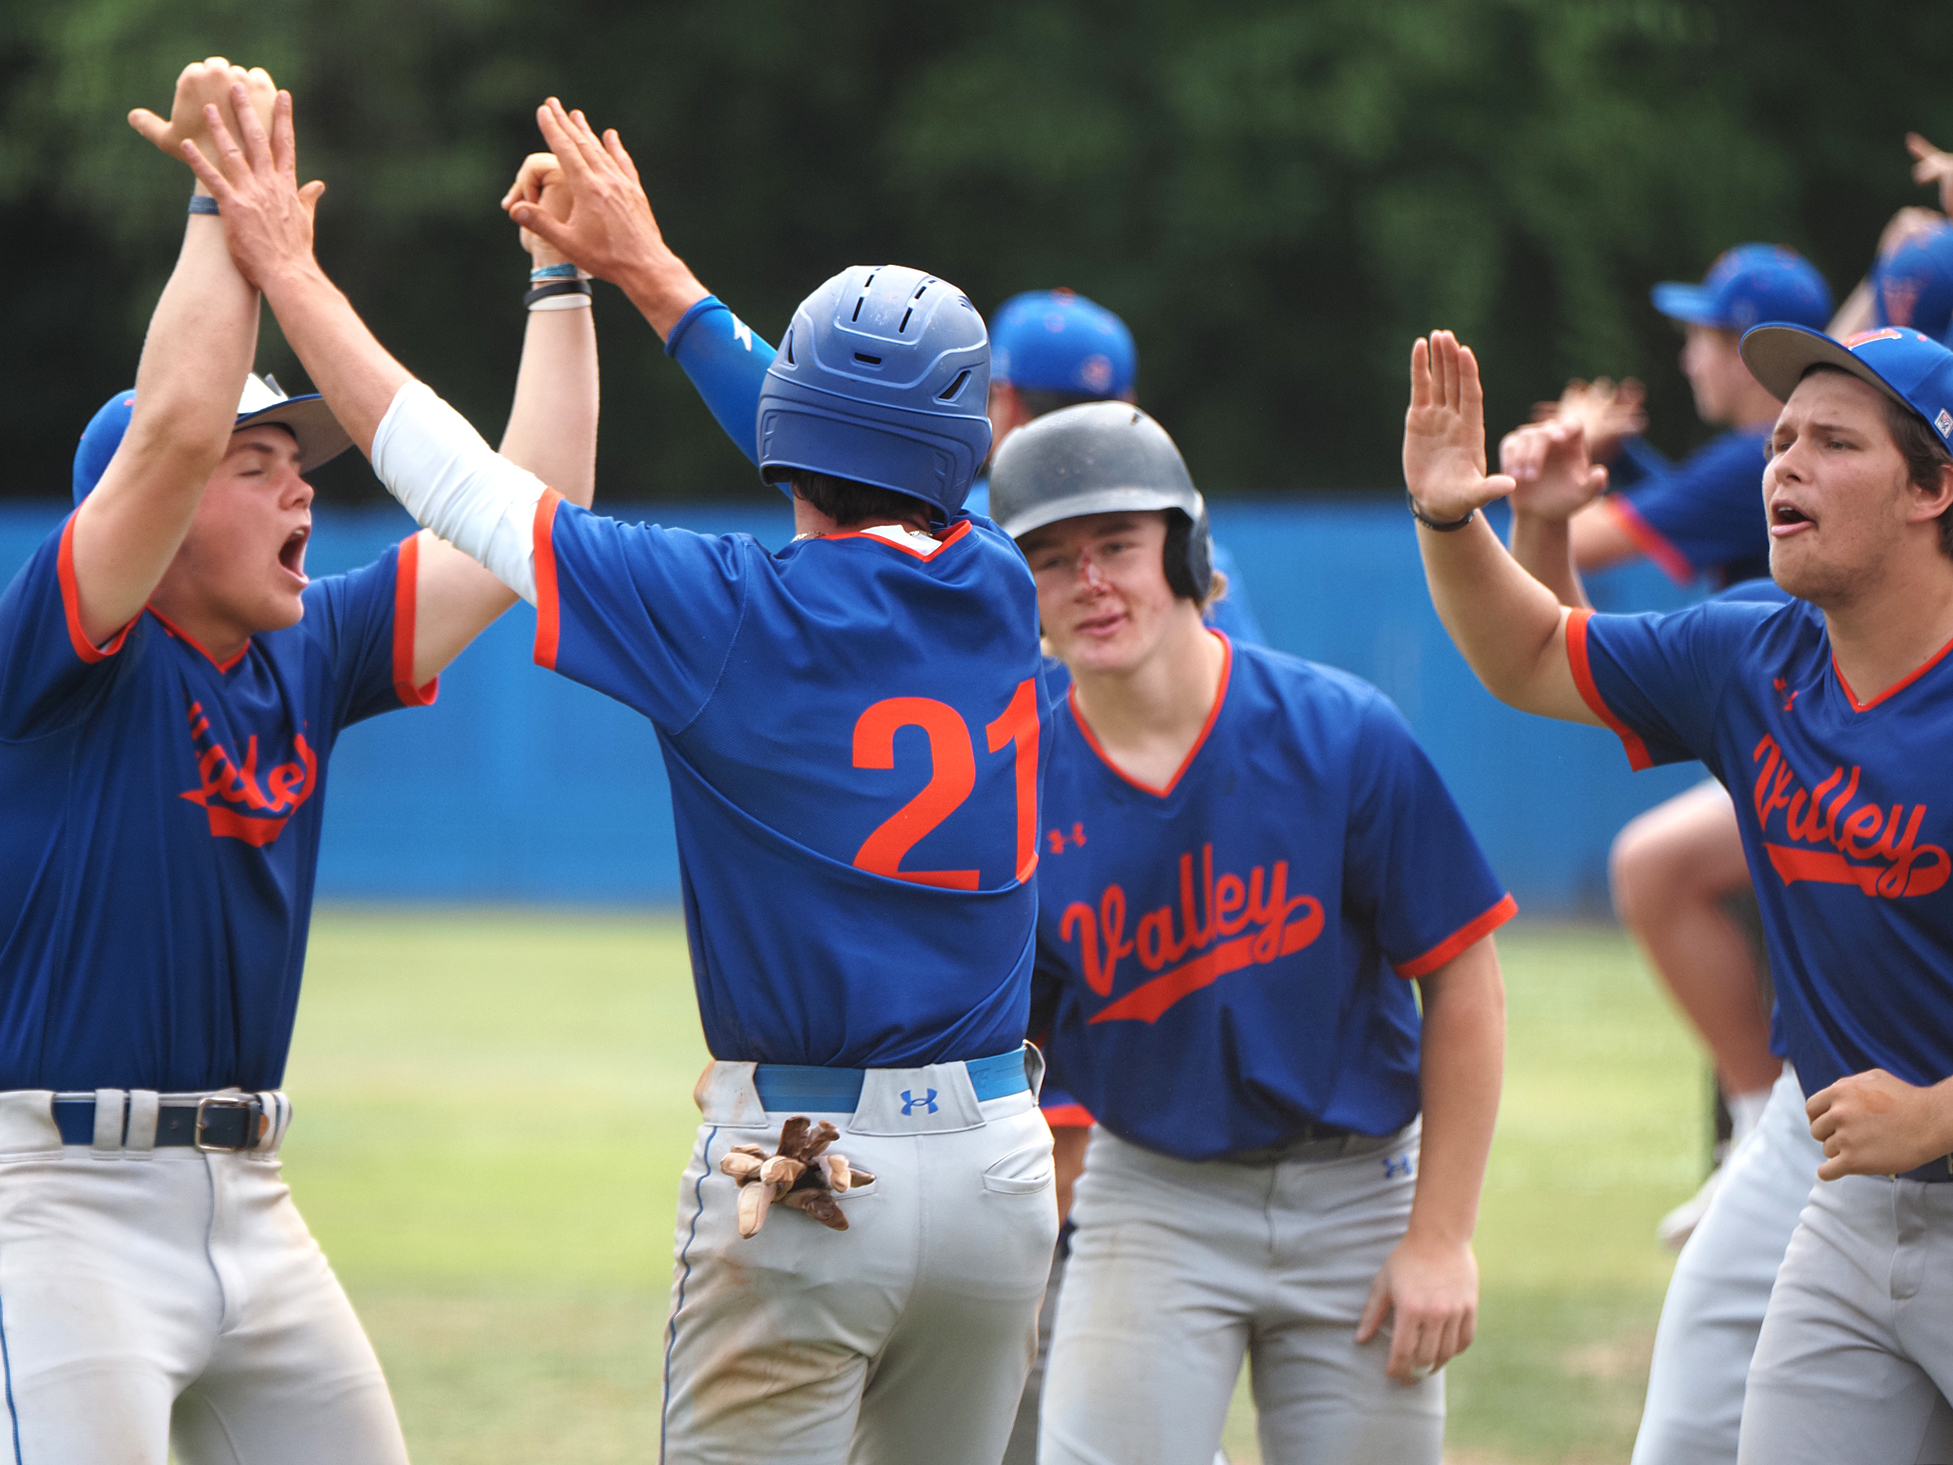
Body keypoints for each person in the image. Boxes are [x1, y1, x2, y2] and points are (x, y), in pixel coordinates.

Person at [185, 88, 1058, 1463]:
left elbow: (459, 481)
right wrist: (648, 272)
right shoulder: (1011, 586)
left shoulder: (726, 613)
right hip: (1004, 1163)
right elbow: (839, 430)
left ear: (792, 434)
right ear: (963, 455)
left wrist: (290, 274)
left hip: (816, 1173)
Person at [0, 58, 596, 1464]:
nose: (300, 485)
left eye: (300, 458)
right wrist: (225, 210)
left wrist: (559, 288)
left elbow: (534, 520)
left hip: (254, 1197)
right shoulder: (65, 642)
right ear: (147, 506)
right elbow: (175, 424)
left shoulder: (306, 650)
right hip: (59, 1203)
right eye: (261, 460)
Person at [1404, 322, 1953, 1463]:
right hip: (1851, 1206)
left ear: (1933, 488)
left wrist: (1939, 1114)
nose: (1782, 463)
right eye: (1783, 436)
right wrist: (1452, 518)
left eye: (1834, 443)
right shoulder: (1754, 653)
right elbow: (1531, 655)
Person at [989, 404, 1508, 1465]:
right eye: (1051, 559)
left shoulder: (1339, 733)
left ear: (1185, 552)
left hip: (1360, 1191)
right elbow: (997, 1033)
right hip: (1154, 1196)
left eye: (1117, 547)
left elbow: (1463, 982)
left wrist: (1441, 1234)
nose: (1088, 581)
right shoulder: (1015, 781)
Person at [1513, 245, 1831, 1247]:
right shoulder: (1757, 470)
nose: (1690, 358)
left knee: (1656, 866)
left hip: (1840, 744)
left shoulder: (1748, 464)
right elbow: (1564, 645)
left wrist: (1525, 497)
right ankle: (1761, 1131)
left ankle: (1758, 1127)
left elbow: (1574, 576)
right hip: (1799, 724)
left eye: (1702, 335)